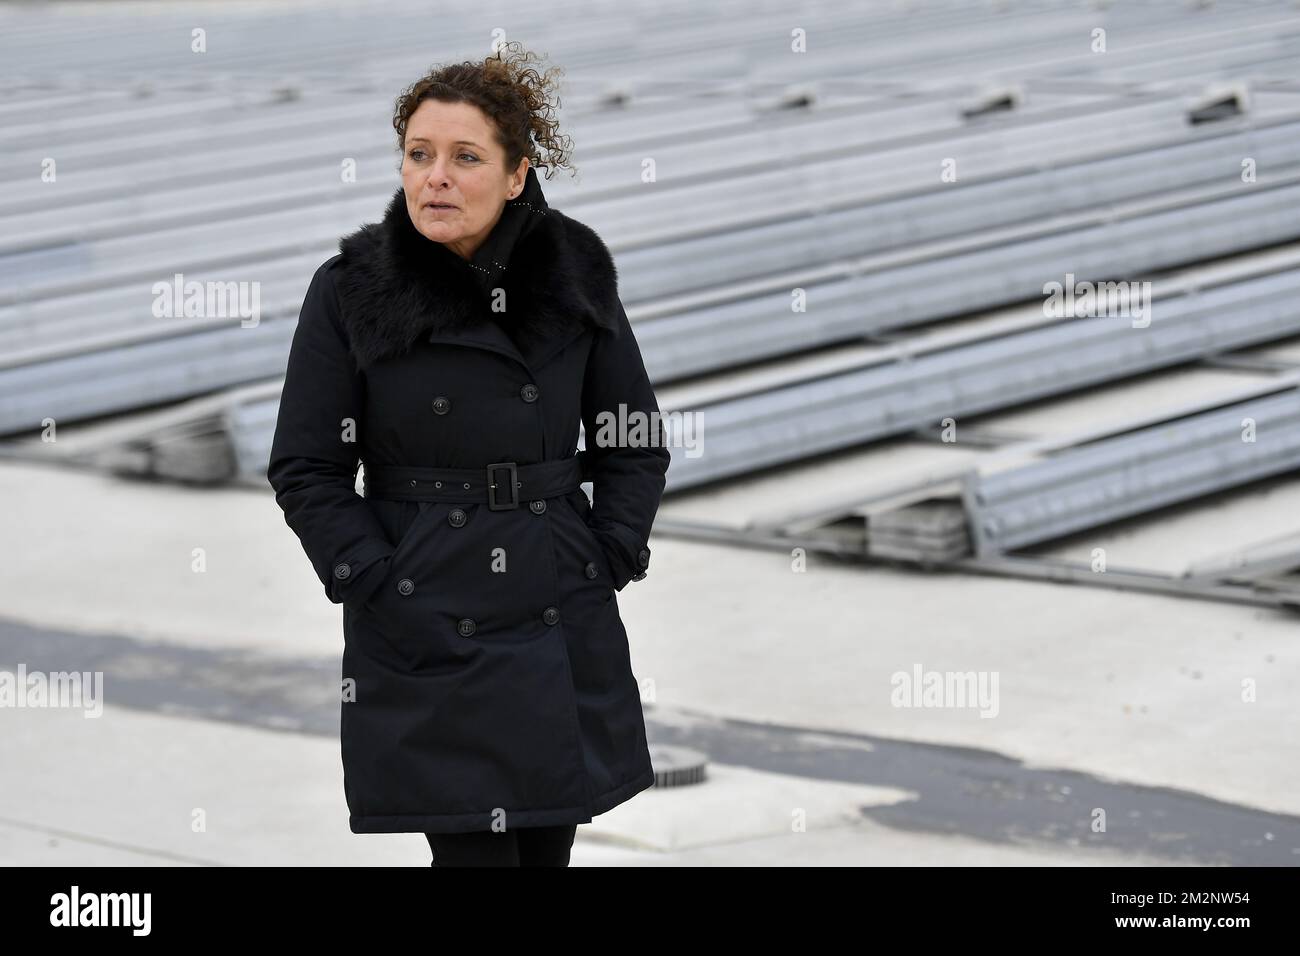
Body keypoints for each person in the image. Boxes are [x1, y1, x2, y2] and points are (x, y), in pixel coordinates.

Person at [266, 42, 670, 867]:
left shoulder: (574, 273)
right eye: (418, 155)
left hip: (555, 601)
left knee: (545, 850)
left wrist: (609, 552)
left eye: (464, 157)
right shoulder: (351, 289)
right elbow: (306, 467)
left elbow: (632, 435)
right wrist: (378, 580)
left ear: (516, 174)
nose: (434, 177)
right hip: (426, 616)